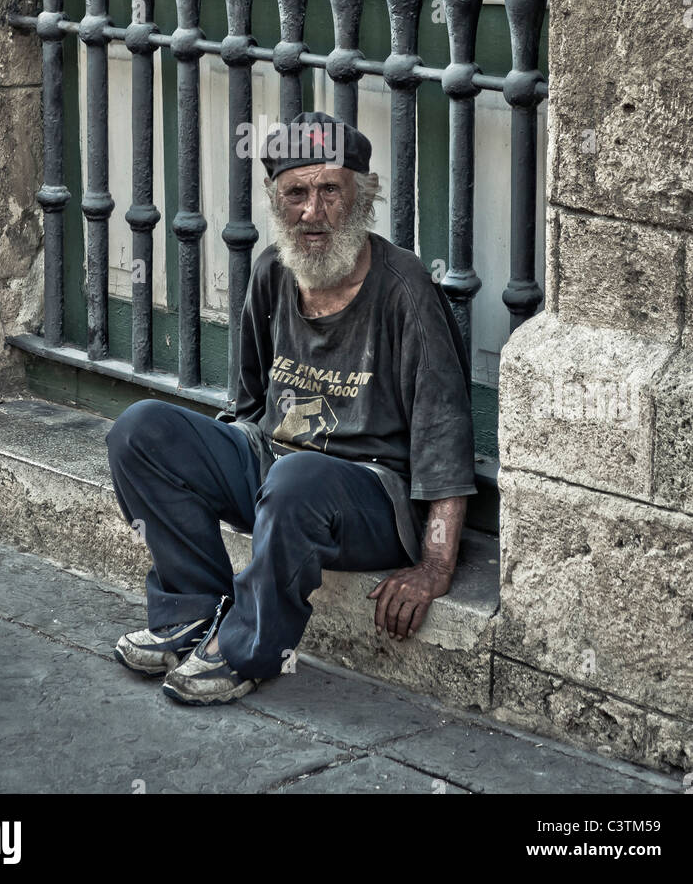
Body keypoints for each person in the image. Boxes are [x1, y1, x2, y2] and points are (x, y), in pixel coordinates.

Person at [106, 110, 477, 707]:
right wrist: (227, 472)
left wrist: (436, 565)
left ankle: (247, 648)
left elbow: (445, 439)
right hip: (280, 476)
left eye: (331, 189)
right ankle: (193, 612)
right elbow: (251, 400)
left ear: (362, 196)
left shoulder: (405, 290)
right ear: (276, 202)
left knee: (297, 476)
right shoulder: (271, 274)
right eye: (296, 193)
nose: (313, 210)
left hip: (369, 498)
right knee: (140, 430)